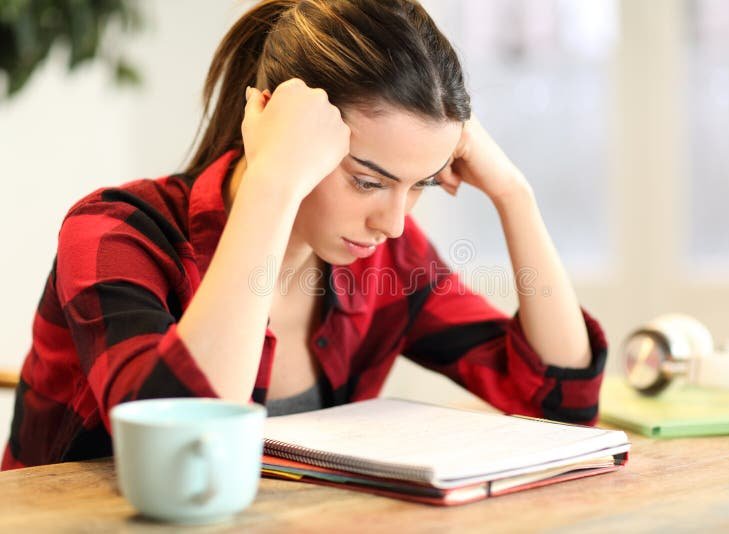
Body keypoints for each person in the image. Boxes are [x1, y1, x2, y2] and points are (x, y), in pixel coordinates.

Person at [2, 0, 607, 470]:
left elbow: (559, 404)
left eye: (420, 182)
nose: (394, 222)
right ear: (282, 129)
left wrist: (513, 195)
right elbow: (183, 441)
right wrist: (272, 181)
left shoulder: (387, 259)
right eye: (368, 181)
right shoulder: (116, 232)